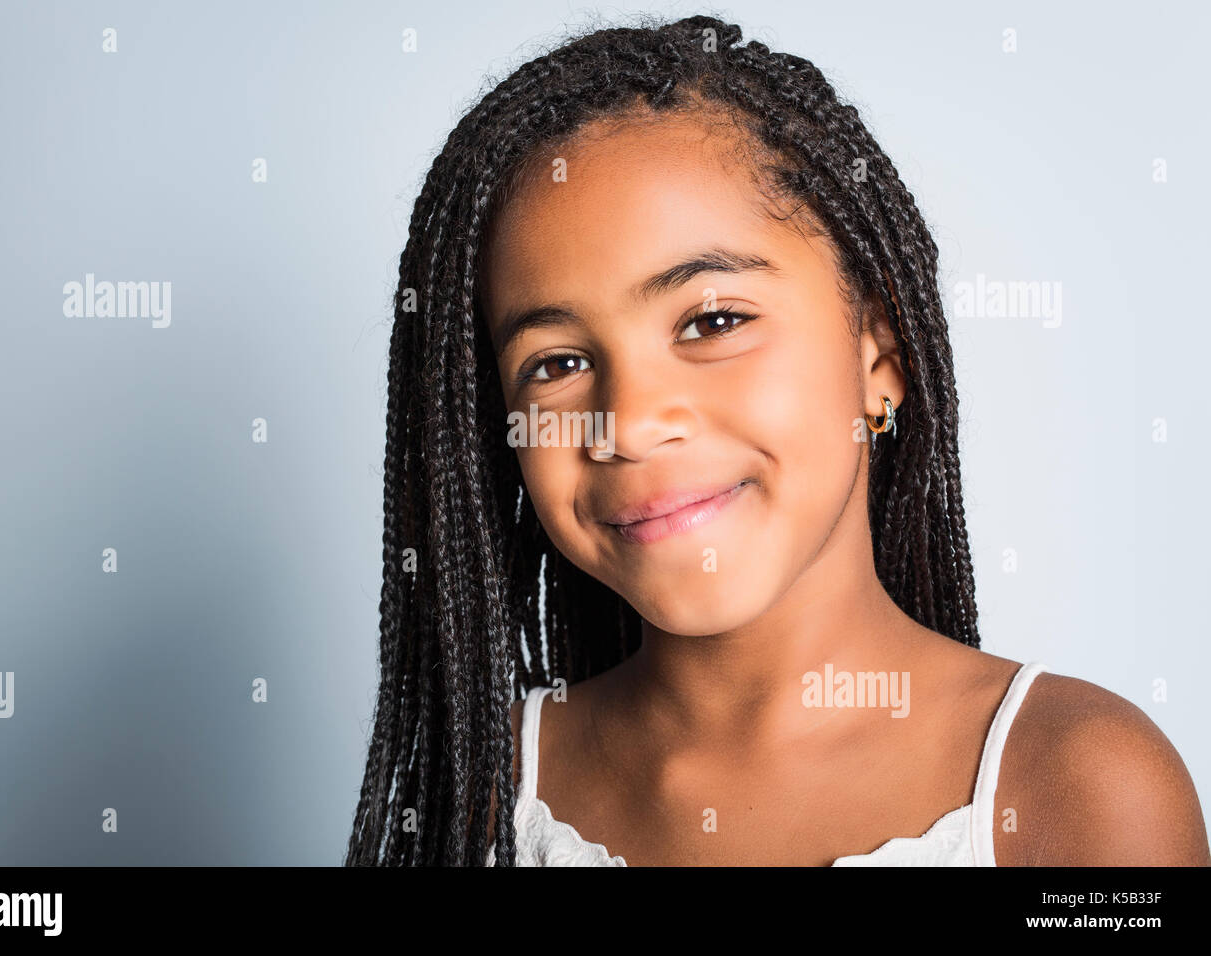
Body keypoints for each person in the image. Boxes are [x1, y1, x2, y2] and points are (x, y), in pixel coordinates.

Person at [346, 14, 1209, 866]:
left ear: (881, 352)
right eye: (559, 361)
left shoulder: (1075, 789)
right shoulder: (484, 793)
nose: (636, 422)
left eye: (713, 320)